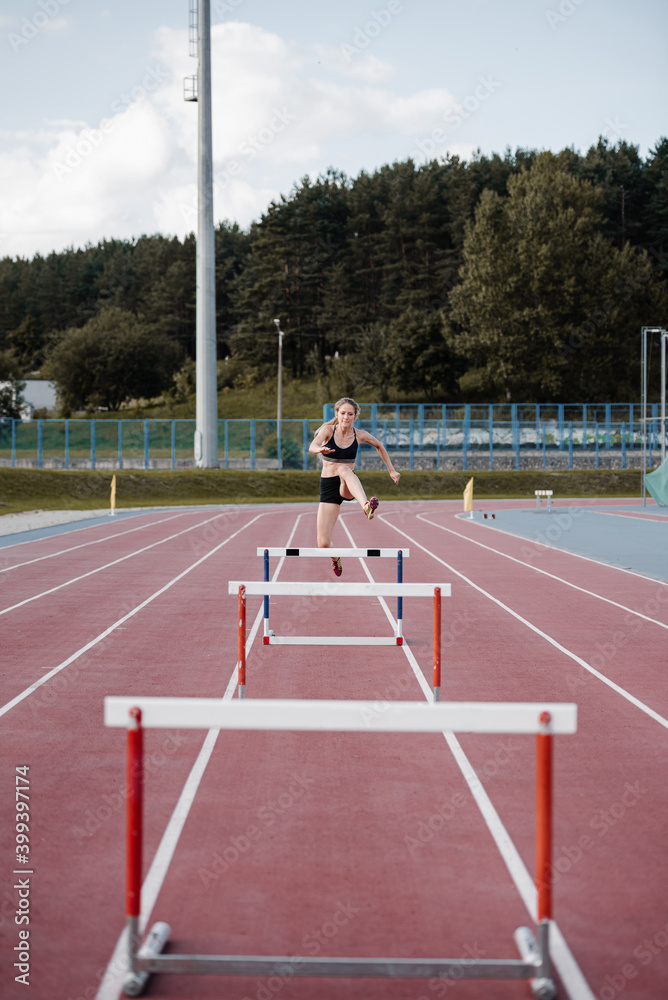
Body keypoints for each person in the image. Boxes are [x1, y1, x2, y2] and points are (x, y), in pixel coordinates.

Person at [309, 396, 400, 576]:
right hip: (329, 485)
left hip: (348, 484)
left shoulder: (359, 435)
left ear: (355, 416)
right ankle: (336, 558)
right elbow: (313, 444)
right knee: (323, 543)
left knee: (344, 469)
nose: (346, 417)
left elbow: (379, 445)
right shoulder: (328, 430)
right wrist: (318, 449)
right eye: (342, 413)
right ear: (337, 414)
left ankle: (366, 506)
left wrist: (391, 470)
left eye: (350, 414)